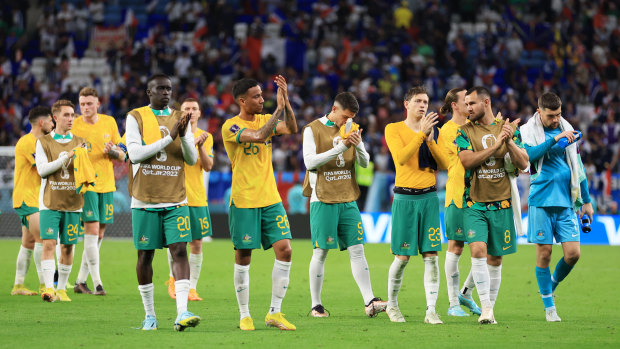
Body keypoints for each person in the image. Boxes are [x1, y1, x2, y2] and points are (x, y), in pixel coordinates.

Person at [222, 76, 298, 331]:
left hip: (270, 198)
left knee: (285, 249)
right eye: (256, 96)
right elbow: (257, 136)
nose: (262, 100)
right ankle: (245, 315)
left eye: (262, 95)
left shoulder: (267, 117)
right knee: (243, 255)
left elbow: (291, 128)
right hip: (244, 200)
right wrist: (277, 109)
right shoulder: (230, 127)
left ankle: (275, 312)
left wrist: (285, 102)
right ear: (242, 101)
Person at [125, 73, 200, 331]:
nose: (166, 92)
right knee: (145, 256)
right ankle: (150, 316)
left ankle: (182, 312)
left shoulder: (180, 118)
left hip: (176, 198)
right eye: (160, 88)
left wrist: (184, 135)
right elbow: (134, 155)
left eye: (169, 89)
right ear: (149, 92)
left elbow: (190, 159)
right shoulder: (135, 116)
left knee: (180, 251)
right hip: (144, 199)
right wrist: (170, 138)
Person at [302, 92, 387, 318]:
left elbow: (365, 162)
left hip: (348, 198)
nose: (346, 122)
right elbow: (309, 162)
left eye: (351, 118)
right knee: (321, 252)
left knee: (358, 249)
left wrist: (358, 145)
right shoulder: (312, 129)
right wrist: (340, 148)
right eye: (345, 117)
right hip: (323, 198)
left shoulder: (350, 128)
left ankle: (369, 301)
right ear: (334, 109)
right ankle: (316, 305)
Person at [456, 87, 529, 324]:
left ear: (486, 102)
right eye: (466, 104)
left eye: (472, 104)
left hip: (502, 203)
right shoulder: (464, 132)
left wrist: (508, 142)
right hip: (474, 203)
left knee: (495, 259)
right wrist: (495, 145)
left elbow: (523, 164)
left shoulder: (506, 130)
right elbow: (466, 161)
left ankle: (490, 308)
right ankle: (485, 308)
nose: (468, 108)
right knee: (477, 250)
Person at [521, 92, 593, 322]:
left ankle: (550, 286)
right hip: (541, 200)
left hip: (566, 200)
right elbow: (528, 157)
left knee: (573, 254)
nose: (555, 119)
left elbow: (578, 165)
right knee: (545, 254)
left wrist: (587, 199)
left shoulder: (567, 128)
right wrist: (554, 139)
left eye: (558, 114)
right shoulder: (527, 130)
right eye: (551, 116)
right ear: (539, 111)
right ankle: (549, 308)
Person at [384, 86, 448, 324]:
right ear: (406, 104)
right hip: (405, 199)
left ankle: (431, 310)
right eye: (419, 101)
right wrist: (421, 135)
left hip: (429, 198)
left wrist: (430, 140)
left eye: (426, 102)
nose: (423, 105)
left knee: (431, 256)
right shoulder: (393, 129)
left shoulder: (434, 132)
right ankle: (392, 306)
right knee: (402, 257)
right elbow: (400, 158)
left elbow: (444, 163)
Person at [72, 87, 125, 296]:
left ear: (97, 104)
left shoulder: (109, 122)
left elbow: (122, 155)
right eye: (82, 104)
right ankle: (98, 284)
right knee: (92, 231)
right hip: (86, 184)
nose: (85, 107)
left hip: (107, 184)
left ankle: (80, 281)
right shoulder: (74, 125)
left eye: (89, 104)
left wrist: (111, 150)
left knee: (100, 233)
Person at [36, 100, 88, 303]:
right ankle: (48, 288)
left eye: (73, 115)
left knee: (68, 247)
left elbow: (84, 171)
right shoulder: (43, 142)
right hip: (49, 202)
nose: (71, 119)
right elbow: (42, 170)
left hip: (74, 203)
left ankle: (61, 288)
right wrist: (63, 158)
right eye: (66, 115)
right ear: (55, 118)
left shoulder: (81, 142)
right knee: (49, 243)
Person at [437, 88, 481, 317]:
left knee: (487, 247)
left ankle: (466, 291)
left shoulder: (477, 125)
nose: (470, 103)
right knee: (456, 247)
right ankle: (454, 303)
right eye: (466, 100)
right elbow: (462, 159)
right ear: (455, 105)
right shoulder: (447, 130)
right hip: (458, 194)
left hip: (482, 194)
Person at [165, 98, 214, 302]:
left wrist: (201, 146)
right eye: (187, 108)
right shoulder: (173, 135)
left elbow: (208, 166)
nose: (191, 111)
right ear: (180, 112)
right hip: (176, 196)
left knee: (197, 243)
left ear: (200, 113)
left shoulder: (206, 136)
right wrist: (191, 143)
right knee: (176, 243)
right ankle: (173, 280)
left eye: (194, 108)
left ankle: (192, 288)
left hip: (197, 197)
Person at [11, 106, 54, 296]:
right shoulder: (29, 142)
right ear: (42, 122)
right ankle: (45, 286)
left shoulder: (40, 142)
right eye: (52, 121)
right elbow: (42, 168)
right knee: (44, 238)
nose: (53, 125)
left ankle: (18, 286)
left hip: (34, 197)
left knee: (28, 242)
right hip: (27, 198)